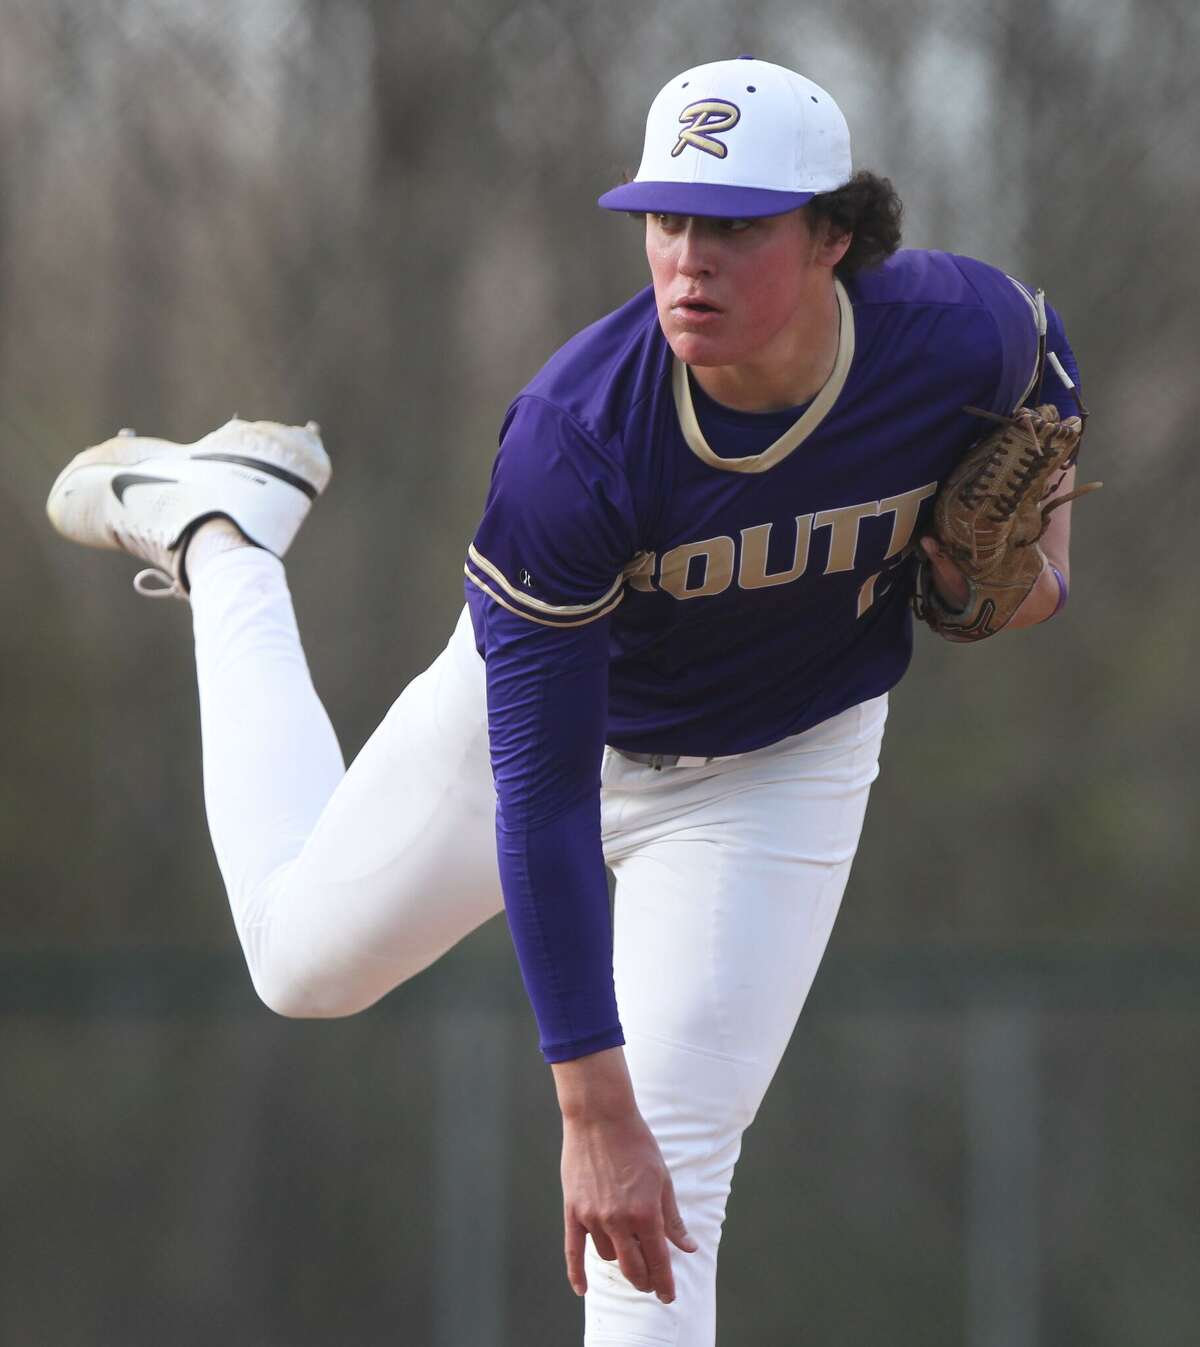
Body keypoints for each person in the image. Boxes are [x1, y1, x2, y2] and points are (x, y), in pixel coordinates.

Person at [46, 56, 1084, 1347]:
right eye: (668, 219)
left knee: (674, 1176)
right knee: (297, 965)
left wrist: (1039, 579)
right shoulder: (577, 439)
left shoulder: (952, 334)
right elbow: (540, 801)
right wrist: (588, 1106)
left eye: (737, 225)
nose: (689, 259)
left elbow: (1048, 374)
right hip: (546, 741)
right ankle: (224, 536)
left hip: (777, 769)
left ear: (834, 238)